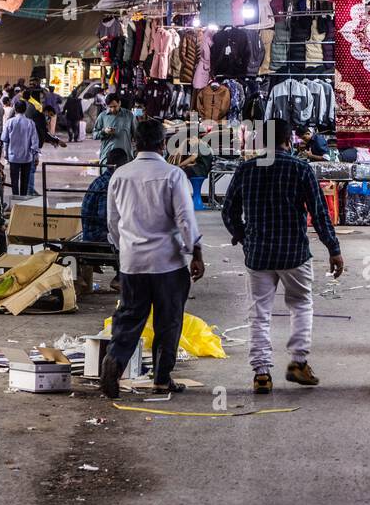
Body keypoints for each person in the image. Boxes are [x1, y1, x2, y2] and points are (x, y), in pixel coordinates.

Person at [222, 119, 345, 393]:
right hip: (294, 253)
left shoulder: (246, 169)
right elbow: (319, 213)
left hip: (259, 255)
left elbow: (228, 211)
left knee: (259, 313)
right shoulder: (300, 168)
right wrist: (333, 249)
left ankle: (262, 373)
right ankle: (299, 362)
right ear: (288, 141)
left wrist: (243, 236)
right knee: (300, 305)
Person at [102, 120, 206, 398]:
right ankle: (161, 378)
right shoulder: (173, 175)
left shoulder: (119, 175)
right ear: (163, 144)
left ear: (135, 143)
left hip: (132, 262)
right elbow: (185, 218)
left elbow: (112, 222)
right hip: (168, 262)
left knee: (129, 316)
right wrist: (195, 251)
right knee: (168, 320)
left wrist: (123, 248)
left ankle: (114, 360)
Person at [78, 147, 129, 294]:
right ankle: (120, 279)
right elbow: (104, 218)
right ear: (121, 166)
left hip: (92, 229)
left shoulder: (103, 179)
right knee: (130, 240)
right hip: (96, 233)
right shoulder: (109, 184)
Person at [2, 101, 40, 197]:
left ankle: (15, 198)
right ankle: (22, 199)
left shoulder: (9, 122)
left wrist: (5, 153)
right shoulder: (30, 123)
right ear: (25, 109)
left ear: (15, 109)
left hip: (13, 156)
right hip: (27, 157)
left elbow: (5, 140)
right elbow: (35, 142)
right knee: (25, 181)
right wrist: (36, 156)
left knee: (14, 181)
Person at [92, 92, 136, 163]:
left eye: (115, 106)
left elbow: (136, 135)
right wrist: (104, 132)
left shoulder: (129, 115)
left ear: (119, 103)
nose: (112, 109)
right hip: (107, 156)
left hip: (126, 157)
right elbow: (94, 135)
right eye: (110, 107)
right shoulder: (102, 116)